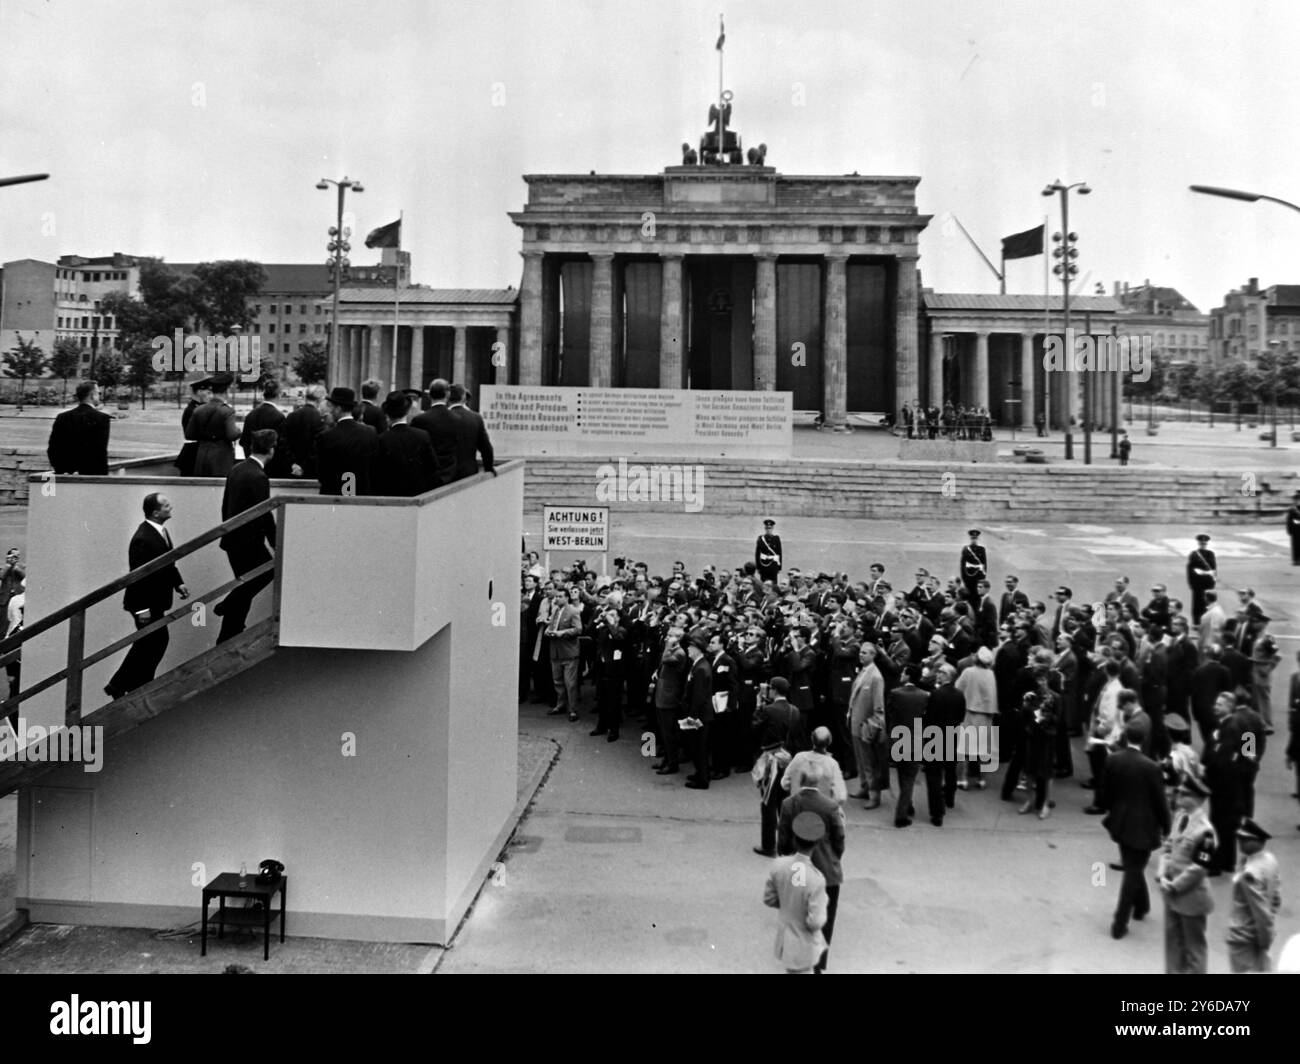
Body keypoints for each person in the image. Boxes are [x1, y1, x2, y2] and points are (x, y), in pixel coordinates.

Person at [105, 493, 189, 699]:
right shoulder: (143, 538)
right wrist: (142, 608)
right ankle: (119, 685)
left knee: (152, 642)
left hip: (155, 600)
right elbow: (138, 573)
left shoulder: (160, 532)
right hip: (145, 603)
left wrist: (178, 583)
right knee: (152, 642)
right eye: (166, 505)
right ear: (156, 512)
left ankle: (137, 685)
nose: (171, 507)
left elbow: (168, 563)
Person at [1098, 720, 1171, 940]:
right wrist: (1167, 827)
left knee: (1132, 865)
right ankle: (1120, 922)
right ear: (1144, 740)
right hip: (1144, 825)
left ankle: (1142, 906)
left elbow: (1105, 794)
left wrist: (1112, 810)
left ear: (1125, 737)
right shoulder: (1151, 767)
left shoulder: (1113, 760)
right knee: (1133, 869)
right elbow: (1160, 802)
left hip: (1120, 822)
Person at [777, 764, 844, 974]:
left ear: (801, 781)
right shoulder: (830, 806)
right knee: (825, 918)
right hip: (826, 870)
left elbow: (783, 839)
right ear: (819, 783)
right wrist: (834, 858)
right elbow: (839, 839)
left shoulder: (789, 804)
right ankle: (818, 963)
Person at [215, 429, 277, 644]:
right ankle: (228, 610)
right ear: (271, 450)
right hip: (249, 542)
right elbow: (264, 512)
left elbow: (226, 504)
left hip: (233, 539)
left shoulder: (236, 469)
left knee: (244, 585)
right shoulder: (259, 476)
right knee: (263, 574)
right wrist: (275, 541)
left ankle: (229, 633)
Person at [1155, 775, 1217, 974]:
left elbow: (1199, 868)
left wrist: (1174, 885)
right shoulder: (1181, 817)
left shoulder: (1205, 831)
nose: (1178, 795)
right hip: (1171, 893)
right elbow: (1168, 846)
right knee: (1173, 944)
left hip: (1191, 897)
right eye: (1179, 791)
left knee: (1194, 949)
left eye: (1184, 793)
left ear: (1198, 799)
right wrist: (1162, 871)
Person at [762, 811, 829, 975]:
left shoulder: (779, 865)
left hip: (786, 939)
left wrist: (788, 902)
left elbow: (769, 898)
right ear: (817, 844)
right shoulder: (816, 879)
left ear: (794, 839)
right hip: (805, 944)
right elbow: (815, 922)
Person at [752, 677, 805, 856]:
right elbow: (799, 737)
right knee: (785, 802)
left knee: (768, 803)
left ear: (773, 690)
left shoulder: (768, 710)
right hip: (788, 760)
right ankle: (788, 843)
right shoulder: (795, 711)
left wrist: (758, 705)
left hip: (770, 760)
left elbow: (754, 729)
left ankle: (768, 845)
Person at [1226, 818, 1282, 973]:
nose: (1240, 843)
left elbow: (1260, 911)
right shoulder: (1270, 860)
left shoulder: (1250, 873)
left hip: (1245, 936)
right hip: (1259, 931)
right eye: (1239, 839)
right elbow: (1276, 897)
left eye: (1244, 840)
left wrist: (1265, 940)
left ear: (1257, 841)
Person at [886, 664, 929, 828]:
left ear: (908, 675)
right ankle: (903, 811)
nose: (901, 675)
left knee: (902, 774)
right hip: (915, 740)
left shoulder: (895, 693)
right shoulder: (924, 695)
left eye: (903, 672)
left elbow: (890, 712)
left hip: (898, 738)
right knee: (910, 777)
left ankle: (905, 807)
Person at [372, 391, 437, 497]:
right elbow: (432, 468)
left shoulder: (381, 439)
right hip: (417, 495)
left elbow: (376, 473)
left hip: (390, 496)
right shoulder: (422, 436)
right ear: (407, 411)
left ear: (387, 414)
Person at [316, 386, 378, 496]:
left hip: (333, 494)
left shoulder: (326, 436)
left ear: (338, 409)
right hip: (361, 494)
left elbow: (322, 472)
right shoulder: (370, 432)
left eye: (331, 407)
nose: (330, 410)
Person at [847, 641, 887, 806]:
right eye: (861, 652)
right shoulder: (864, 671)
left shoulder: (876, 677)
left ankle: (874, 795)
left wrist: (874, 724)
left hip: (866, 726)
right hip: (856, 722)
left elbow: (879, 706)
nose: (860, 655)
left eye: (865, 653)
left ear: (873, 655)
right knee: (861, 760)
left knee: (870, 762)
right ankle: (864, 787)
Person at [47, 381, 111, 475]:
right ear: (92, 396)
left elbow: (53, 449)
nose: (100, 396)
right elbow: (99, 451)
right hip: (92, 476)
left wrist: (62, 469)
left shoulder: (62, 417)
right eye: (99, 393)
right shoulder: (102, 418)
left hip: (65, 474)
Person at [185, 372, 239, 477]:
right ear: (226, 391)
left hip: (202, 453)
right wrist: (239, 431)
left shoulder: (198, 410)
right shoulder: (227, 411)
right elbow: (232, 435)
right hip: (221, 455)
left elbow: (189, 435)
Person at [546, 585, 585, 723]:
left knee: (570, 683)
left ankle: (573, 709)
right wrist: (548, 630)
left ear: (567, 598)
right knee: (558, 681)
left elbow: (578, 629)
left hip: (569, 652)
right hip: (555, 651)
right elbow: (552, 625)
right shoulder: (556, 610)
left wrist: (562, 633)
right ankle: (560, 705)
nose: (557, 598)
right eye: (556, 596)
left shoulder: (573, 611)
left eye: (560, 596)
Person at [782, 726, 847, 807]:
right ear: (830, 741)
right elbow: (840, 796)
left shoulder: (799, 757)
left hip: (799, 809)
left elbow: (785, 783)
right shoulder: (832, 764)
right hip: (823, 810)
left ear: (812, 738)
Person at [411, 378, 458, 487]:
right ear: (448, 395)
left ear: (429, 395)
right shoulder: (457, 419)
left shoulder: (420, 420)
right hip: (451, 475)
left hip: (427, 475)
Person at [682, 634, 714, 789]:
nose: (688, 649)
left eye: (690, 647)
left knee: (699, 748)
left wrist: (692, 716)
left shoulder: (701, 668)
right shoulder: (698, 664)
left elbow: (699, 696)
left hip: (699, 715)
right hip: (699, 713)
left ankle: (702, 779)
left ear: (697, 649)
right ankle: (700, 773)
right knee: (697, 746)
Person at [239, 378, 290, 477]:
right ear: (279, 394)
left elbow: (244, 441)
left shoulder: (251, 415)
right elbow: (281, 445)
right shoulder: (279, 416)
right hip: (273, 467)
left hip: (252, 463)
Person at [591, 604, 626, 743]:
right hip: (601, 668)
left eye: (612, 615)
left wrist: (611, 624)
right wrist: (597, 620)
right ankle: (601, 726)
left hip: (615, 670)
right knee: (601, 699)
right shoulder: (603, 629)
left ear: (618, 618)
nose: (608, 617)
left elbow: (618, 638)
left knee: (613, 702)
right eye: (608, 614)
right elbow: (589, 633)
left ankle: (614, 730)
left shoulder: (621, 630)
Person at [447, 383, 495, 480]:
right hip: (468, 473)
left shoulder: (439, 418)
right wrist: (489, 468)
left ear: (447, 397)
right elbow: (486, 448)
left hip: (444, 475)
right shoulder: (475, 418)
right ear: (463, 397)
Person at [283, 385, 325, 479]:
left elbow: (284, 442)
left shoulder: (291, 416)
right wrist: (304, 467)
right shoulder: (320, 418)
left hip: (291, 469)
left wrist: (293, 464)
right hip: (312, 470)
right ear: (320, 400)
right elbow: (317, 445)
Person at [175, 377, 211, 475]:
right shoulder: (193, 411)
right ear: (199, 392)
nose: (210, 396)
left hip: (195, 453)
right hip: (193, 455)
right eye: (207, 393)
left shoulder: (196, 408)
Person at [1185, 534, 1217, 624]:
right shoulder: (1194, 554)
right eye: (1201, 543)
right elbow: (1190, 569)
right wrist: (1191, 583)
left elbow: (1214, 568)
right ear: (1198, 543)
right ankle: (1196, 622)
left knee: (1208, 603)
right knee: (1197, 603)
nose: (1203, 544)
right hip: (1197, 584)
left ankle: (1206, 621)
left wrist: (1213, 581)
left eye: (1204, 543)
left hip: (1207, 583)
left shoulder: (1211, 554)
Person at [959, 529, 987, 601]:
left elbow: (984, 565)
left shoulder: (981, 549)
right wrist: (964, 579)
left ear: (977, 539)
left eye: (975, 538)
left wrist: (982, 578)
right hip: (968, 577)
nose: (974, 540)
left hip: (978, 577)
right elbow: (962, 566)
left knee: (977, 598)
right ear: (970, 539)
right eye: (972, 538)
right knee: (968, 596)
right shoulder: (966, 549)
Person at [755, 519, 782, 585]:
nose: (768, 529)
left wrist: (779, 567)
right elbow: (757, 553)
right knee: (763, 582)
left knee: (773, 583)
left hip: (773, 564)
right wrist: (758, 567)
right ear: (765, 528)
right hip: (763, 564)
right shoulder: (761, 538)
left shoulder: (776, 538)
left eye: (770, 528)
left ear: (772, 528)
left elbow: (779, 553)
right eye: (767, 528)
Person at [1288, 490, 1300, 566]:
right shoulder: (1292, 510)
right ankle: (1296, 560)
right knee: (1295, 545)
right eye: (1296, 500)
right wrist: (1289, 530)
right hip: (1295, 530)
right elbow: (1289, 520)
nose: (1297, 501)